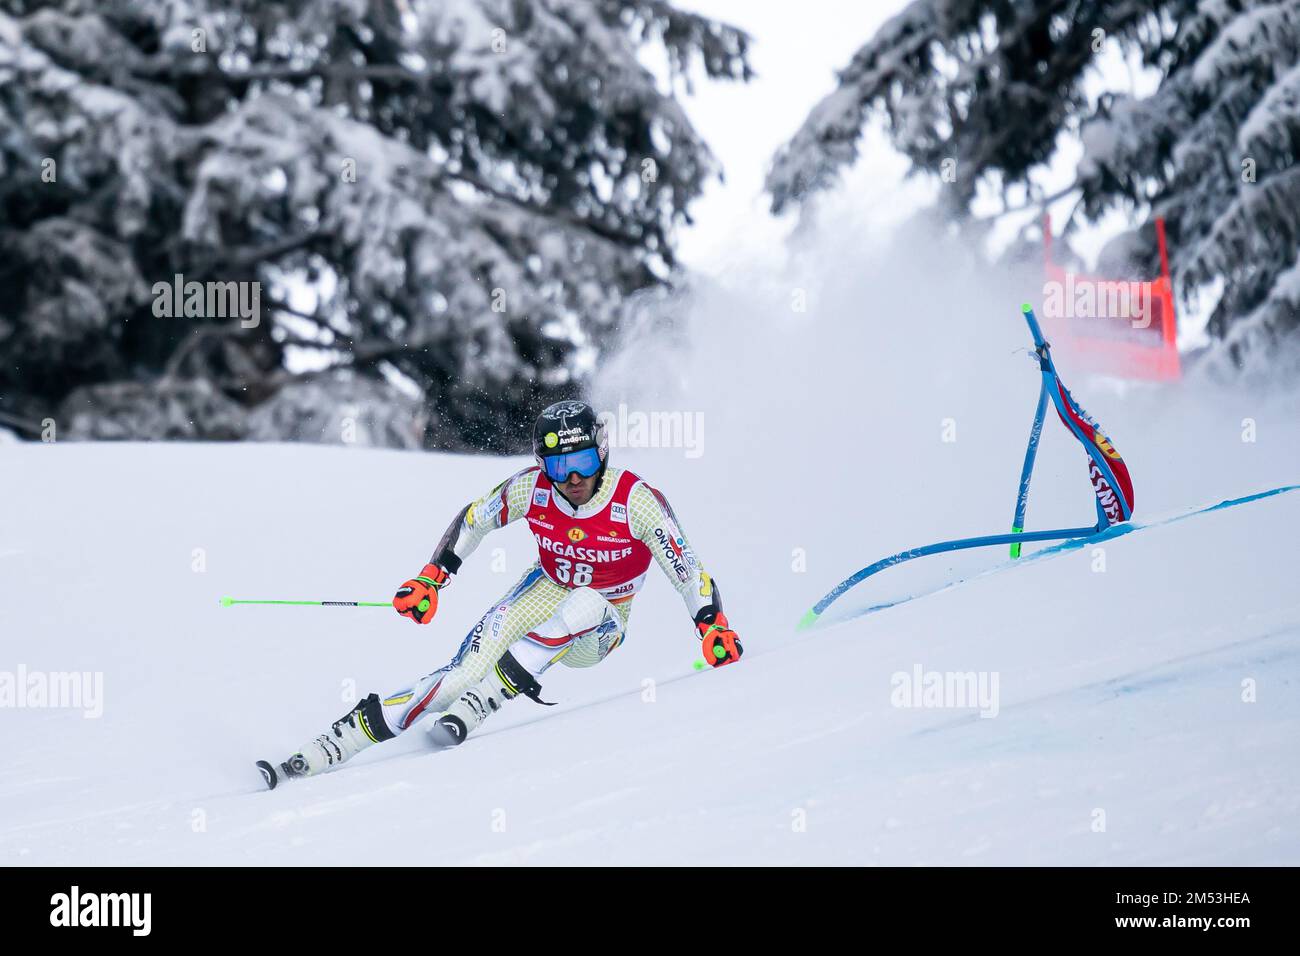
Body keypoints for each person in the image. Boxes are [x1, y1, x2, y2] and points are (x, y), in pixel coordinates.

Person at [259, 400, 741, 788]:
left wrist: (711, 624)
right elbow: (475, 518)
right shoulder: (532, 489)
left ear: (603, 453)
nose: (573, 479)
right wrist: (433, 578)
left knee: (588, 601)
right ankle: (329, 747)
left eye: (583, 461)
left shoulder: (634, 500)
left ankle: (487, 699)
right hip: (544, 588)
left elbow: (687, 568)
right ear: (541, 465)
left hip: (603, 621)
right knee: (456, 678)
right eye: (559, 465)